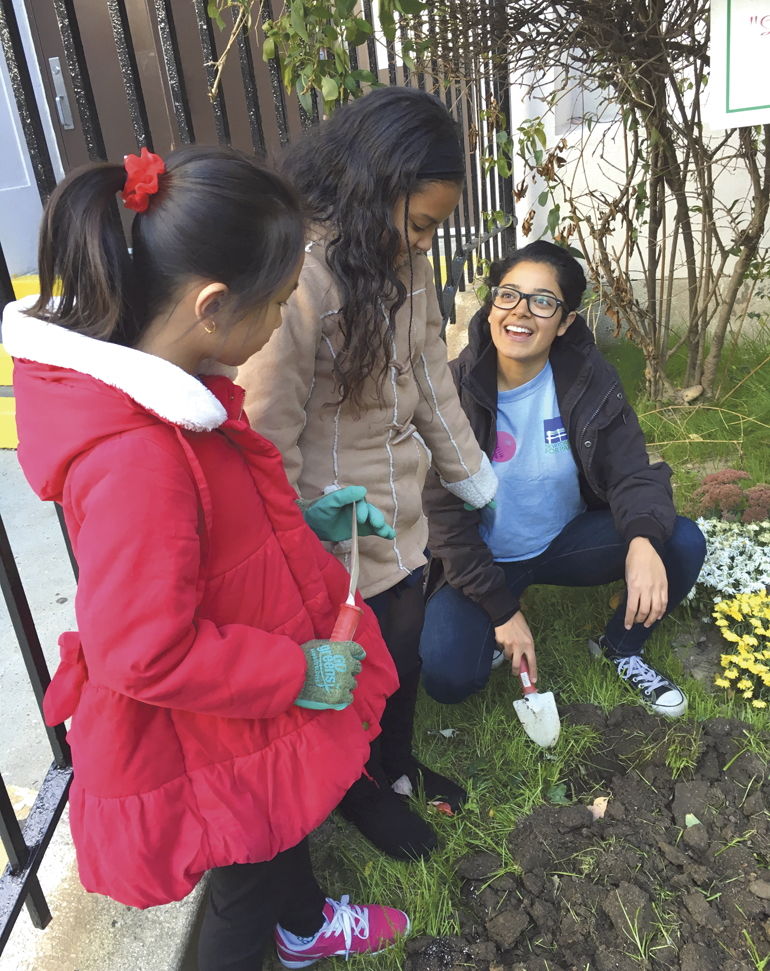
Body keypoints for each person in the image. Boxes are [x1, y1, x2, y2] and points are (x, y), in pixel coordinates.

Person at [2, 145, 410, 971]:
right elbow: (142, 648)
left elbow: (213, 541)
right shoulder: (139, 456)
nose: (276, 329)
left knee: (274, 819)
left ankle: (303, 929)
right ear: (214, 305)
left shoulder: (168, 404)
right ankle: (275, 928)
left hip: (236, 704)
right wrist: (296, 672)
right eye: (279, 307)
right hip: (212, 719)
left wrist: (302, 543)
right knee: (243, 884)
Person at [238, 87, 497, 861]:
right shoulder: (298, 284)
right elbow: (264, 436)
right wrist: (290, 560)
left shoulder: (410, 270)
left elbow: (431, 378)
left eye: (433, 230)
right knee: (352, 673)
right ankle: (360, 789)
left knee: (405, 653)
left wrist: (472, 474)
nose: (423, 243)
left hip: (399, 516)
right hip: (332, 534)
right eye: (416, 224)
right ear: (367, 187)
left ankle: (397, 764)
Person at [419, 240, 706, 717]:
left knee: (679, 541)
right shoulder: (452, 390)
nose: (521, 313)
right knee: (448, 676)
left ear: (566, 321)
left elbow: (632, 468)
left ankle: (620, 647)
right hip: (483, 553)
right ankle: (492, 616)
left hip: (565, 542)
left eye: (543, 301)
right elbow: (442, 519)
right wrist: (503, 612)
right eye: (508, 295)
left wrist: (641, 541)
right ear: (492, 305)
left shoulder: (587, 378)